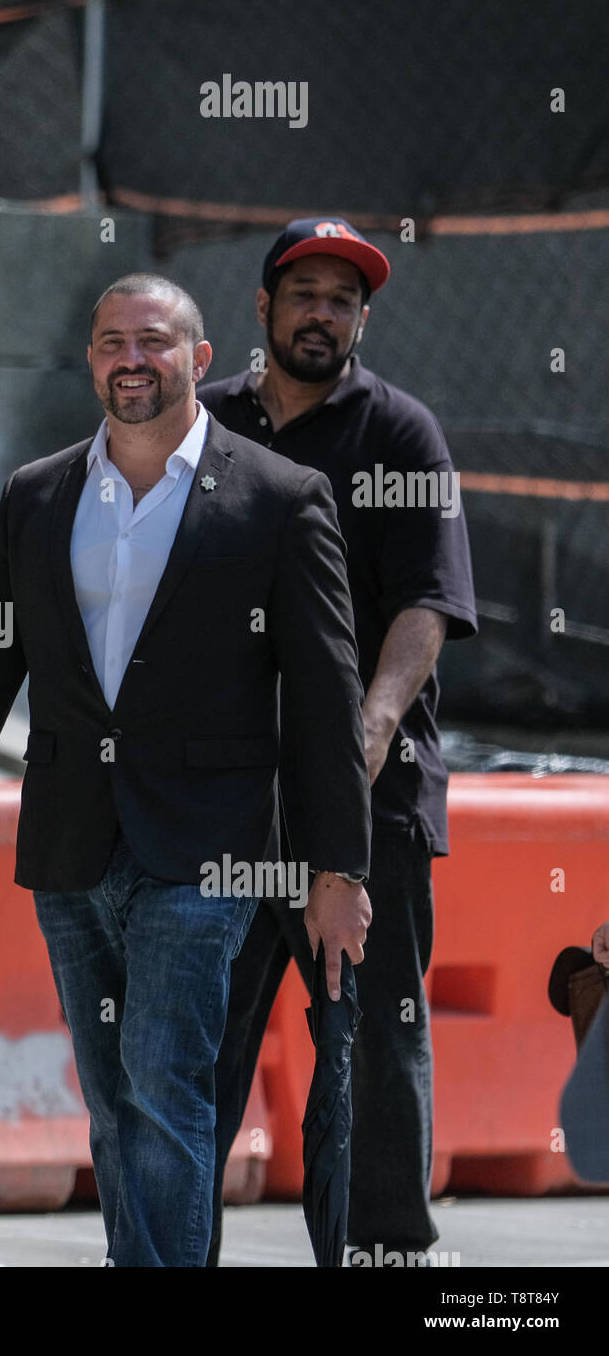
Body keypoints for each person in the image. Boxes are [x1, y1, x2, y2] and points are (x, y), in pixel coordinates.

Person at [0, 273, 372, 1266]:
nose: (130, 358)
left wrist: (340, 867)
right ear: (90, 360)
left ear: (199, 359)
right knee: (112, 1098)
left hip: (210, 847)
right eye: (111, 341)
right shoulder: (37, 496)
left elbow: (326, 702)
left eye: (152, 340)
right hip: (71, 843)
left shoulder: (281, 500)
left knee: (164, 1082)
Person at [199, 217, 478, 1264]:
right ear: (262, 308)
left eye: (343, 298)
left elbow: (428, 605)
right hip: (220, 804)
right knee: (196, 1044)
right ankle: (173, 1245)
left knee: (372, 1038)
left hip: (371, 802)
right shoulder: (204, 424)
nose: (323, 311)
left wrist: (364, 726)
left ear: (361, 319)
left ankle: (383, 1254)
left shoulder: (400, 433)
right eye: (303, 291)